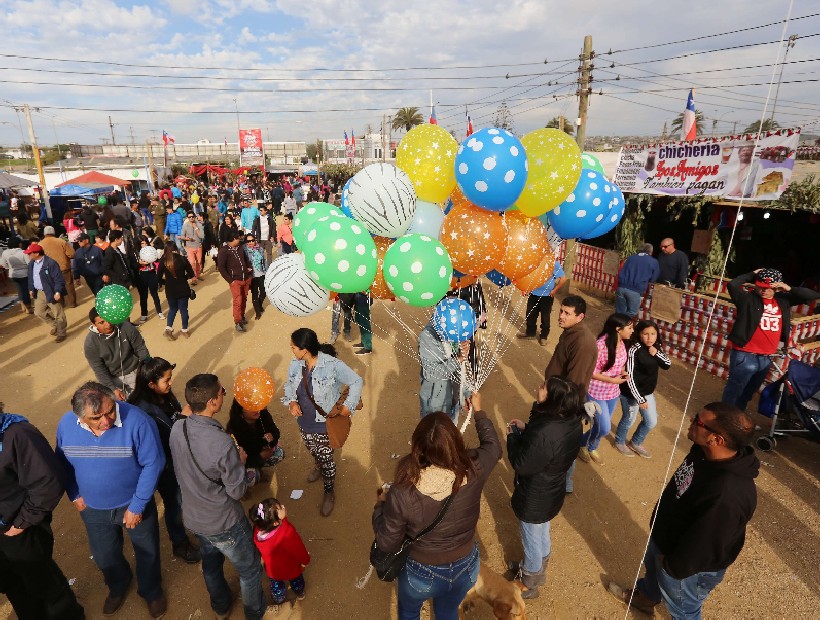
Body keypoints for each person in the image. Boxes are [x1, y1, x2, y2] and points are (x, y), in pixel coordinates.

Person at [608, 402, 759, 619]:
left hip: (686, 568)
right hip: (665, 540)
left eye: (698, 421)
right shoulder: (703, 451)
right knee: (652, 572)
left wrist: (673, 567)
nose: (691, 421)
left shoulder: (728, 493)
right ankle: (646, 597)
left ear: (716, 439)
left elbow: (706, 545)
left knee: (685, 610)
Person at [372, 394, 501, 620]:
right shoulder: (474, 468)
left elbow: (387, 542)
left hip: (421, 571)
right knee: (448, 612)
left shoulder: (403, 492)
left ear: (417, 448)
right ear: (455, 442)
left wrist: (380, 506)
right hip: (465, 566)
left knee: (409, 612)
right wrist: (479, 412)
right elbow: (493, 447)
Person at [55, 382, 167, 618]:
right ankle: (118, 584)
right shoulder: (66, 425)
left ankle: (151, 591)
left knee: (147, 551)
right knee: (104, 554)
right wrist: (74, 494)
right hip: (93, 509)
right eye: (96, 418)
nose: (106, 421)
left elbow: (153, 463)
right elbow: (62, 463)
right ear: (80, 417)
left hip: (133, 504)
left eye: (110, 411)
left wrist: (137, 505)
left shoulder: (138, 421)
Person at [169, 374, 267, 620]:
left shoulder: (178, 428)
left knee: (211, 564)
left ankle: (221, 607)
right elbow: (237, 491)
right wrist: (241, 463)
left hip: (195, 516)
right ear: (212, 402)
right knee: (250, 569)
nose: (224, 394)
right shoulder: (222, 443)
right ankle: (255, 613)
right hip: (224, 521)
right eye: (222, 391)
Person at [0, 409, 85, 619]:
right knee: (12, 585)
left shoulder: (17, 434)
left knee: (44, 582)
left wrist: (21, 523)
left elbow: (48, 482)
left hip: (19, 530)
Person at [505, 376, 583, 598]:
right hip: (552, 490)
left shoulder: (545, 432)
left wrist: (512, 438)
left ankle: (529, 582)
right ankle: (538, 568)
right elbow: (548, 444)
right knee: (542, 530)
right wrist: (527, 428)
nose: (538, 388)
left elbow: (522, 463)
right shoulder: (571, 420)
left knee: (531, 537)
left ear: (553, 399)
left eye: (543, 388)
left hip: (535, 494)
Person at [281, 328, 363, 517]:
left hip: (323, 424)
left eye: (293, 347)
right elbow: (290, 384)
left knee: (327, 459)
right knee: (313, 450)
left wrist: (349, 406)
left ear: (304, 349)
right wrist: (292, 401)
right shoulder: (295, 363)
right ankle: (318, 466)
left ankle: (329, 491)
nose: (291, 350)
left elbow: (356, 381)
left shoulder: (332, 365)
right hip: (304, 422)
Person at [127, 358, 200, 563]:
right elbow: (162, 438)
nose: (171, 383)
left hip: (174, 459)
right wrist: (181, 419)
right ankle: (180, 543)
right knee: (174, 503)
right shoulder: (143, 411)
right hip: (163, 465)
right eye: (166, 380)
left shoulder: (162, 397)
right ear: (151, 384)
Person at [722, 268, 820, 411]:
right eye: (760, 286)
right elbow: (733, 285)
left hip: (767, 356)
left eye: (768, 288)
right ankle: (724, 417)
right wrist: (753, 273)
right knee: (734, 389)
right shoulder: (747, 299)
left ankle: (738, 415)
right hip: (745, 354)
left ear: (777, 287)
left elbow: (813, 295)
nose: (764, 290)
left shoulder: (783, 300)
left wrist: (789, 288)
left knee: (749, 391)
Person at [614, 320, 672, 458]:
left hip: (647, 393)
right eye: (646, 334)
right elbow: (629, 377)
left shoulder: (656, 347)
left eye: (653, 334)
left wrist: (656, 353)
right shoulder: (634, 349)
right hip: (630, 393)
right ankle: (620, 442)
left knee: (651, 421)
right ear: (639, 334)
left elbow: (667, 364)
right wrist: (639, 398)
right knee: (629, 419)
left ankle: (635, 442)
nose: (650, 337)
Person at [581, 313, 633, 465]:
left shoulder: (622, 342)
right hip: (596, 392)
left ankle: (592, 447)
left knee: (601, 425)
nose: (632, 331)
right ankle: (581, 443)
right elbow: (591, 371)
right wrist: (612, 380)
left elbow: (620, 362)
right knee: (604, 428)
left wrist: (622, 372)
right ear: (618, 329)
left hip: (613, 393)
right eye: (629, 328)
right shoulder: (600, 345)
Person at [249, 499, 309, 613]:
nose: (283, 506)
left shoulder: (257, 531)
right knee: (296, 580)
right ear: (276, 523)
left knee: (276, 585)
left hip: (273, 570)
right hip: (291, 567)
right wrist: (306, 560)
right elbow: (298, 549)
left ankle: (279, 599)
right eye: (280, 508)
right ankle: (300, 592)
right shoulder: (286, 532)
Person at [84, 307, 151, 400]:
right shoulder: (90, 344)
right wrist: (113, 389)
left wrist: (147, 370)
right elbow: (99, 370)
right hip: (114, 380)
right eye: (101, 322)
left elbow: (141, 349)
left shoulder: (126, 327)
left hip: (136, 372)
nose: (108, 324)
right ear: (93, 324)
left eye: (109, 319)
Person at [418, 319, 471, 423]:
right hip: (436, 408)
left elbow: (461, 368)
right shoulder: (428, 336)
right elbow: (430, 374)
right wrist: (458, 359)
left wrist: (465, 392)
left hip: (454, 399)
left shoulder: (457, 326)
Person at [227, 399, 283, 485]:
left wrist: (272, 438)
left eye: (256, 404)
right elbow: (235, 462)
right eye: (250, 407)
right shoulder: (234, 431)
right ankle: (242, 487)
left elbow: (275, 432)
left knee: (279, 453)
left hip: (258, 452)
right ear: (240, 412)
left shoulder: (263, 414)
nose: (256, 409)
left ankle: (259, 469)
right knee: (252, 476)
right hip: (244, 462)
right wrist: (260, 457)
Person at [25, 243, 68, 343]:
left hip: (51, 291)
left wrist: (57, 292)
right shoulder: (31, 264)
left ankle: (61, 333)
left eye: (30, 253)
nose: (28, 255)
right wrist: (31, 289)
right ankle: (55, 325)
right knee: (39, 312)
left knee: (58, 313)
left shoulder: (51, 263)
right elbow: (31, 278)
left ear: (36, 253)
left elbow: (58, 279)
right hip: (39, 292)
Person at [519, 259, 566, 345]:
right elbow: (528, 276)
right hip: (533, 294)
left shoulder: (554, 264)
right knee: (530, 315)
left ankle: (543, 337)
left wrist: (555, 290)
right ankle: (530, 333)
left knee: (545, 317)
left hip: (547, 296)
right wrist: (526, 288)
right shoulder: (535, 261)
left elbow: (563, 279)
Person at [157, 244, 195, 340]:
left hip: (170, 289)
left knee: (172, 309)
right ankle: (185, 330)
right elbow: (191, 274)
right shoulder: (182, 259)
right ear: (176, 248)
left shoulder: (163, 260)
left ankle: (168, 329)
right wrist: (183, 278)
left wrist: (166, 282)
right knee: (183, 310)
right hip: (183, 288)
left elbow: (158, 278)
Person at [217, 230, 253, 332]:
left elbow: (245, 259)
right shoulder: (224, 251)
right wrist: (230, 281)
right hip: (235, 281)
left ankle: (242, 316)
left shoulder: (240, 247)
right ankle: (238, 322)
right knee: (238, 301)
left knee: (244, 299)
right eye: (238, 238)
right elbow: (221, 267)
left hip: (245, 278)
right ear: (233, 239)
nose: (240, 239)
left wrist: (249, 268)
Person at [615, 244, 660, 317]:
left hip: (621, 287)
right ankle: (623, 322)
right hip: (635, 290)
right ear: (651, 251)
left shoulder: (631, 257)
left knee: (620, 311)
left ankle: (617, 322)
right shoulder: (654, 262)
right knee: (632, 312)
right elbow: (654, 278)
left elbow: (622, 270)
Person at [39, 225, 77, 307]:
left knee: (55, 286)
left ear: (44, 234)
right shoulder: (61, 242)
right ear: (54, 232)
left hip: (49, 269)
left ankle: (60, 303)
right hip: (63, 267)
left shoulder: (40, 244)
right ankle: (72, 303)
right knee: (68, 285)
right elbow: (72, 254)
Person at [0, 236, 32, 313]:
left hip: (13, 274)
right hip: (24, 274)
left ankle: (23, 305)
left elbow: (3, 264)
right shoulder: (23, 252)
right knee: (25, 291)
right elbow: (29, 264)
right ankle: (28, 307)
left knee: (20, 289)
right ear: (19, 244)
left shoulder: (5, 253)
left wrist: (9, 268)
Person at [136, 238, 164, 324]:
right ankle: (144, 314)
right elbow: (134, 265)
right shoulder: (137, 253)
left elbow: (157, 260)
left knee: (154, 294)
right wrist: (139, 263)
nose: (144, 245)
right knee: (143, 296)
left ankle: (159, 312)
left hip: (151, 274)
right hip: (142, 276)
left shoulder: (152, 251)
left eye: (145, 243)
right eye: (142, 243)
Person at [243, 233, 268, 320]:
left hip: (261, 273)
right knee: (255, 294)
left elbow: (264, 260)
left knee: (263, 292)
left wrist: (266, 271)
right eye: (248, 241)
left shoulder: (260, 248)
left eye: (252, 240)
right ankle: (257, 312)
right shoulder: (244, 251)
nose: (250, 242)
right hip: (252, 276)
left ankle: (259, 305)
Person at [180, 211, 205, 284]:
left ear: (194, 217)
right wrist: (188, 239)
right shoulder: (185, 225)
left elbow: (202, 236)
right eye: (189, 217)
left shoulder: (199, 224)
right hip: (189, 247)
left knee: (199, 262)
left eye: (192, 216)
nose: (191, 218)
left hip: (198, 246)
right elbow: (182, 236)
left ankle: (198, 275)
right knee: (192, 263)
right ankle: (193, 278)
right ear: (187, 218)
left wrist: (196, 227)